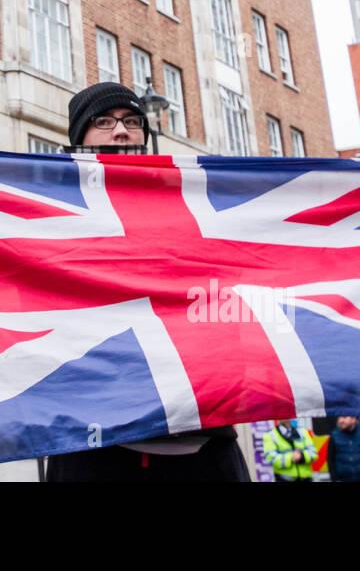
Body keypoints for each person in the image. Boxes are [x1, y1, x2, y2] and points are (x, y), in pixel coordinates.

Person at [44, 82, 250, 482]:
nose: (121, 131)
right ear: (78, 137)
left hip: (202, 448)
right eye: (103, 122)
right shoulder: (53, 216)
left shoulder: (191, 206)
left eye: (132, 121)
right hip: (93, 449)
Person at [326, 415, 360, 482]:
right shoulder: (334, 436)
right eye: (339, 418)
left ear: (354, 418)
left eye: (344, 417)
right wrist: (335, 479)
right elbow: (330, 460)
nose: (340, 421)